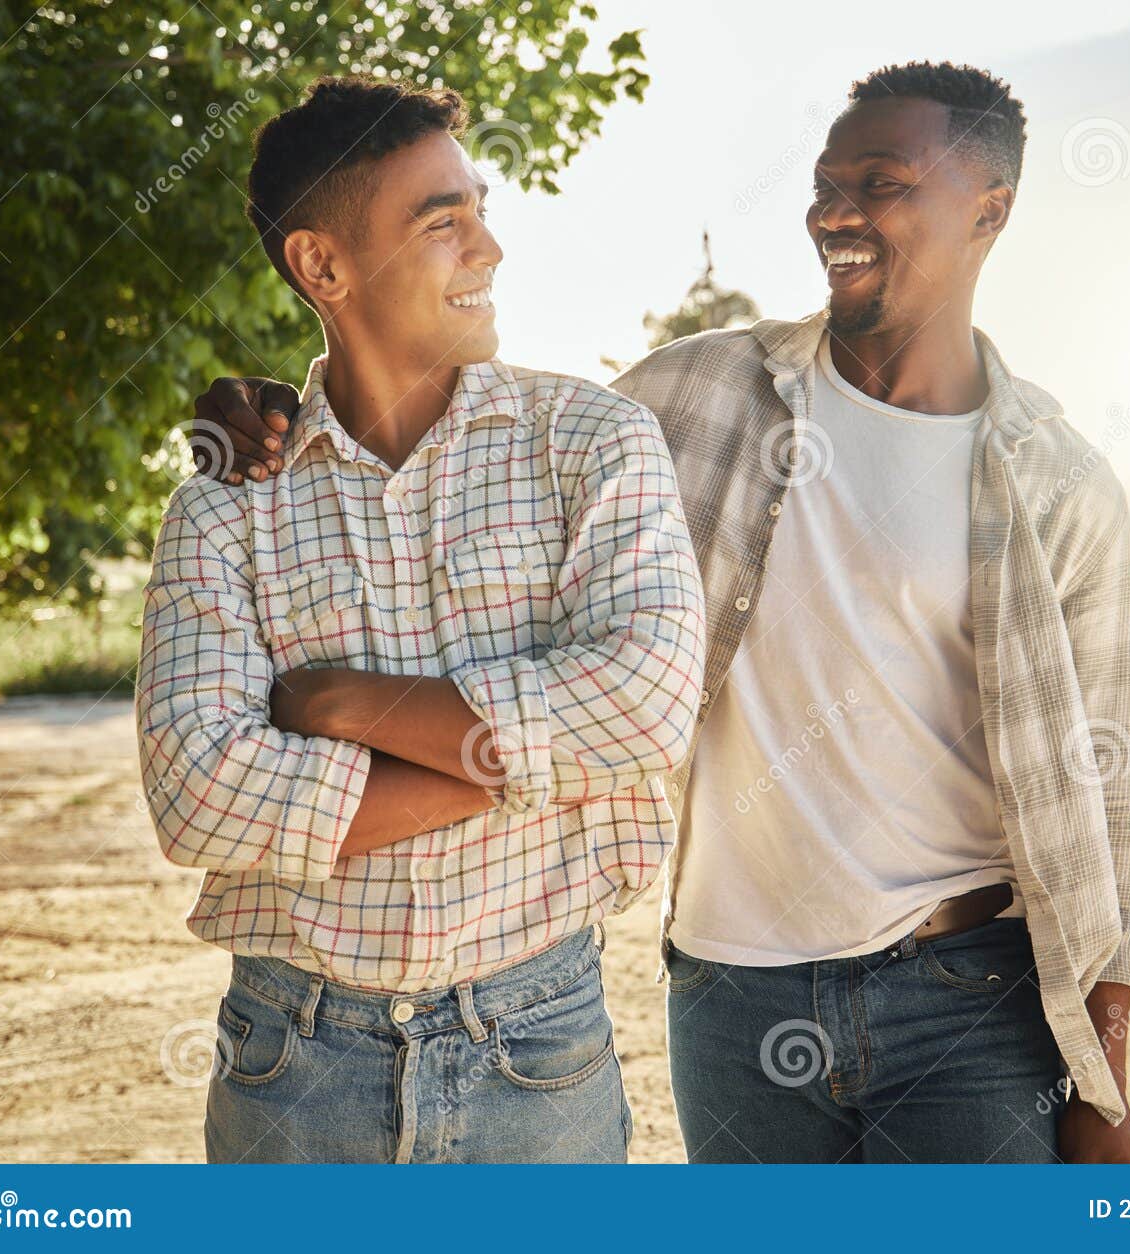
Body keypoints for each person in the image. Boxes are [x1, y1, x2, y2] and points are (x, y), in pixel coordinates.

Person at [192, 61, 1130, 1165]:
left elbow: (1107, 803)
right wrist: (269, 403)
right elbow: (442, 405)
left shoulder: (1059, 490)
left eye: (880, 183)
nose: (833, 213)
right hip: (731, 996)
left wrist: (1103, 1090)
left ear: (989, 210)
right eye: (823, 183)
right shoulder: (688, 397)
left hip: (963, 994)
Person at [137, 75, 705, 1164]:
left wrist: (347, 704)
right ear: (321, 264)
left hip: (538, 1050)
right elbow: (198, 796)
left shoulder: (588, 442)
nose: (486, 249)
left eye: (479, 210)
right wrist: (528, 763)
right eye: (441, 221)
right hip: (291, 1065)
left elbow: (645, 707)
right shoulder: (229, 499)